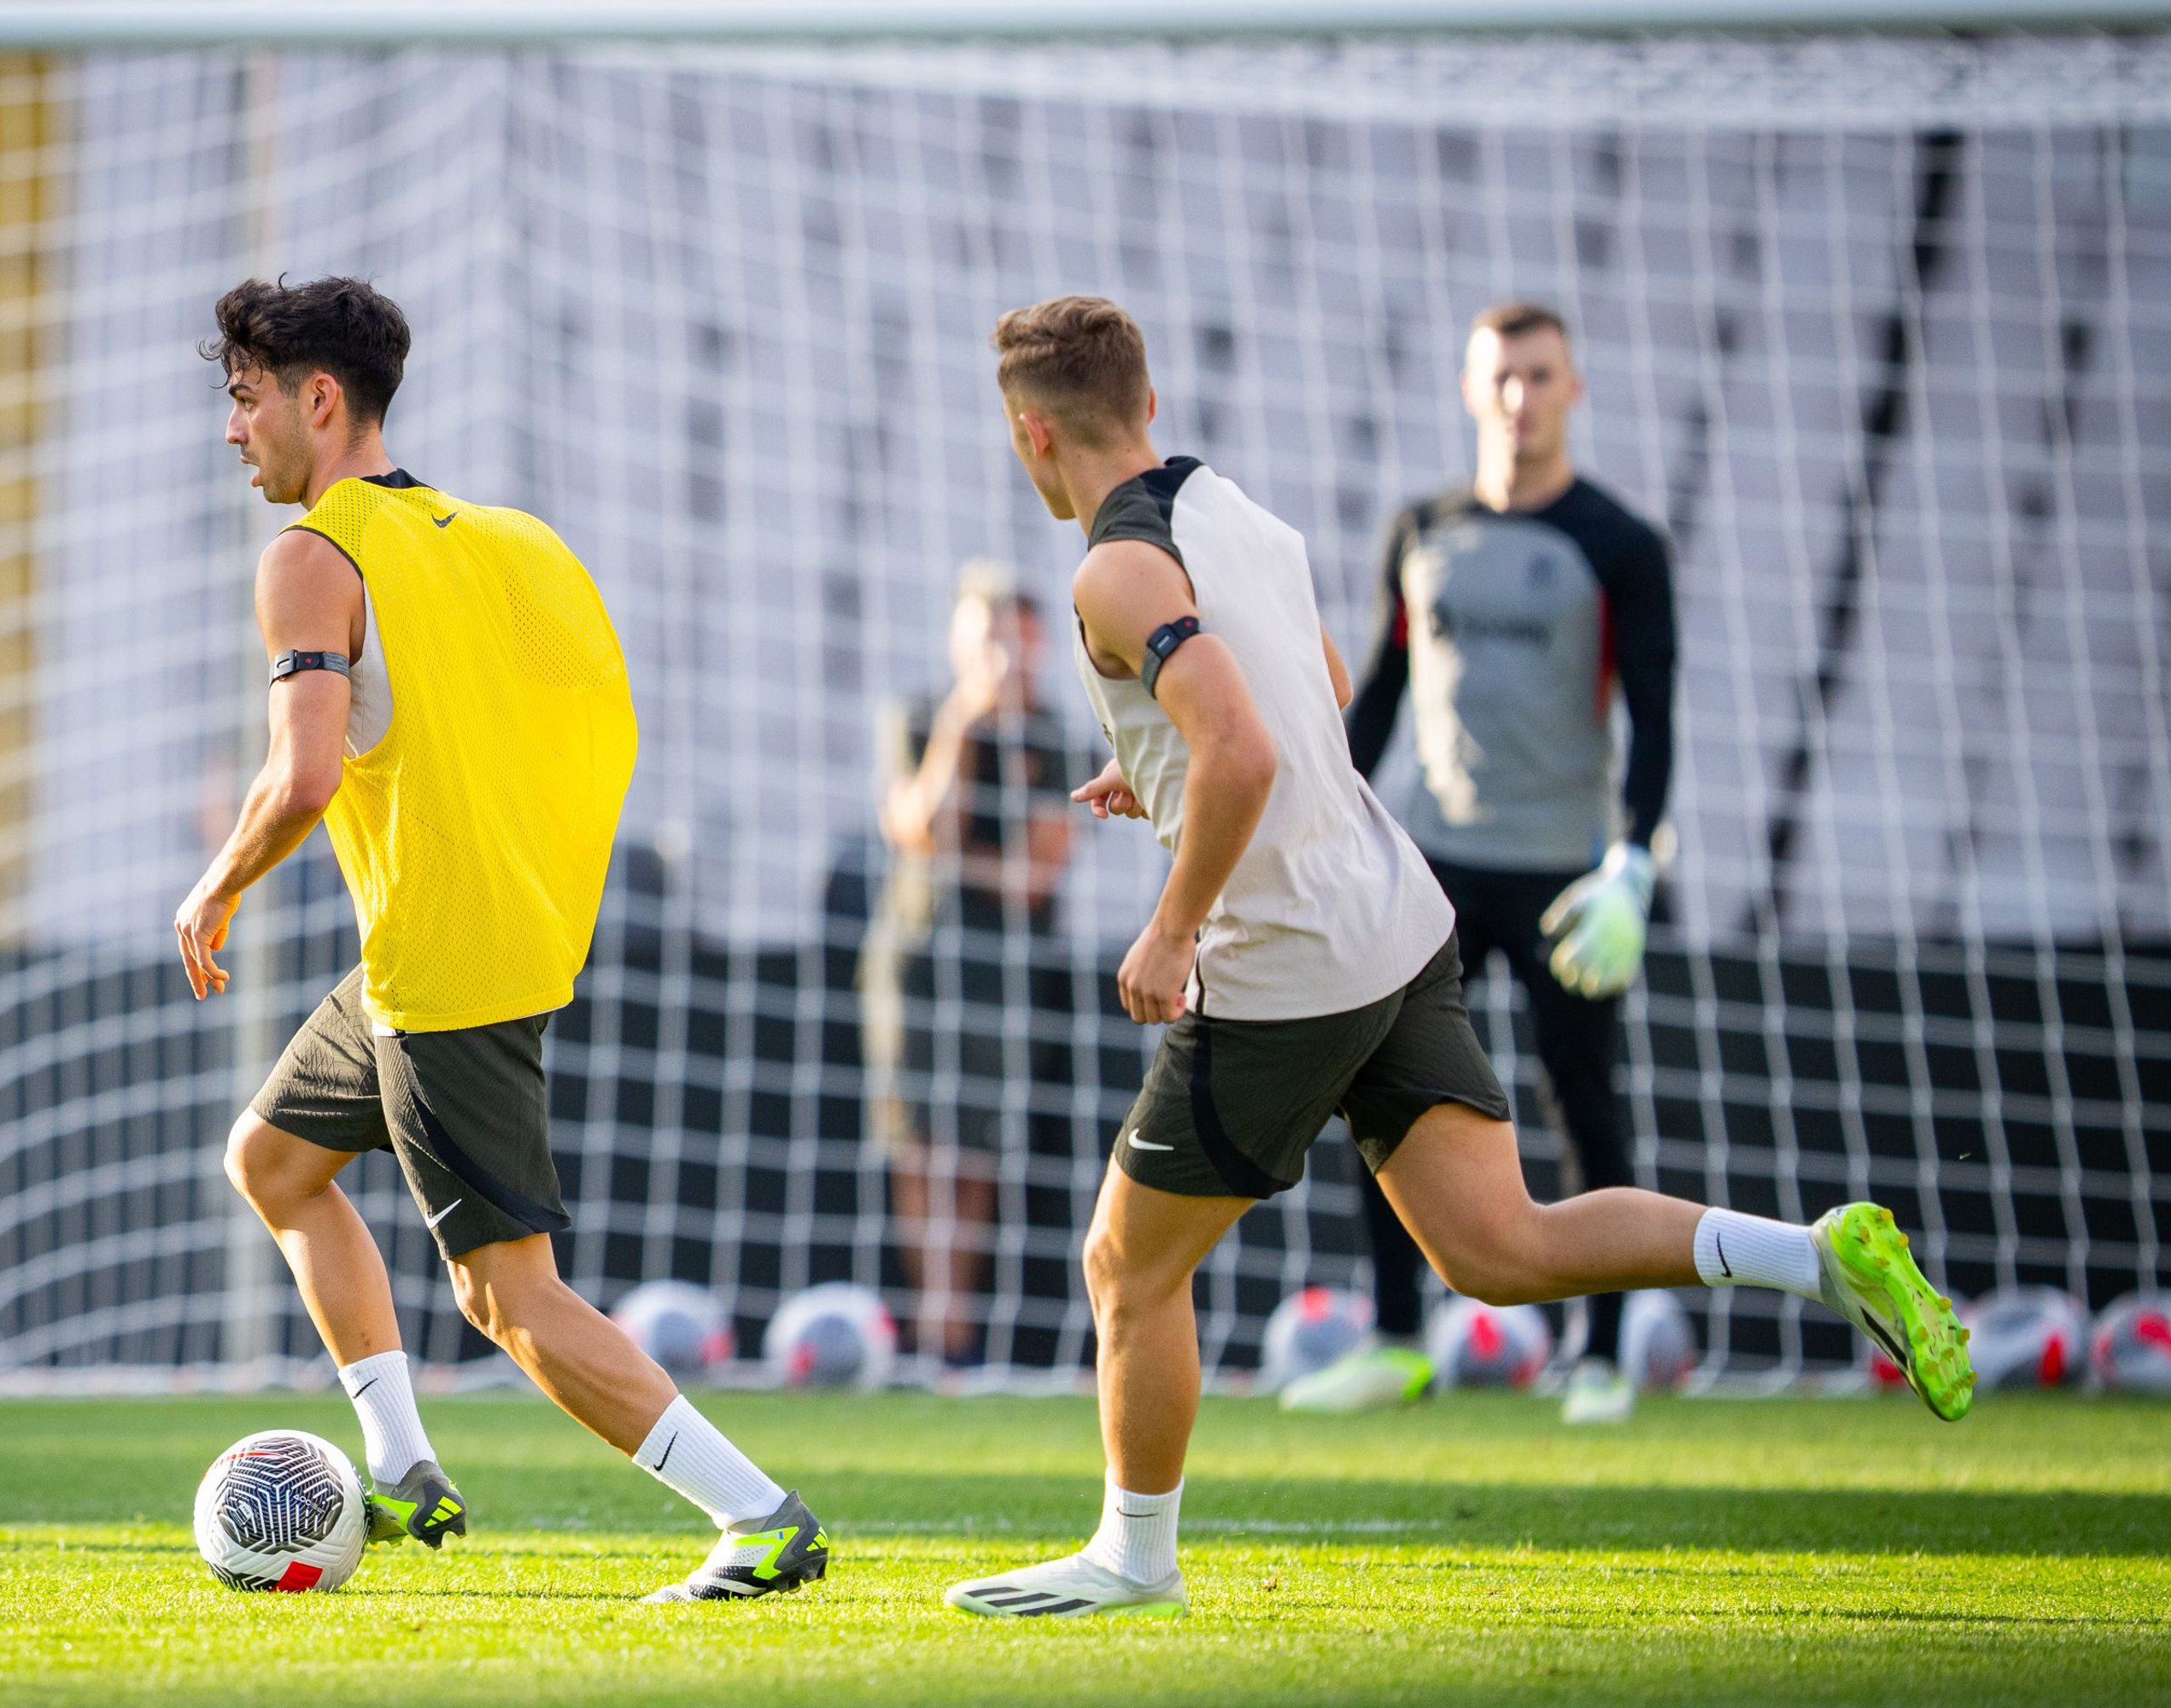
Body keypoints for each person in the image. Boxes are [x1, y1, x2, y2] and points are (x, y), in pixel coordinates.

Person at [941, 295, 1970, 1622]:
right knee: (1501, 1248)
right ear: (1146, 404)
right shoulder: (1234, 510)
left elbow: (1244, 749)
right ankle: (1816, 1257)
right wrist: (1159, 766)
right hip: (1398, 920)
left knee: (1125, 1266)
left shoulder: (1111, 571)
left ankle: (1135, 1559)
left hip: (1285, 961)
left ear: (1033, 434)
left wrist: (1172, 924)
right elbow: (1311, 686)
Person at [175, 275, 827, 1604]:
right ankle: (405, 1469)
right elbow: (597, 724)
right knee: (273, 1162)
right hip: (473, 939)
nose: (233, 430)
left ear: (319, 398)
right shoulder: (512, 541)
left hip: (441, 971)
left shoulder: (309, 558)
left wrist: (215, 886)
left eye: (246, 401)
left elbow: (303, 776)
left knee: (507, 1300)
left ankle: (760, 1518)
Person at [1284, 301, 1678, 1426]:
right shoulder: (1420, 531)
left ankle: (1599, 1355)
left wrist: (1631, 867)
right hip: (1434, 869)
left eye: (1540, 375)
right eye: (1501, 376)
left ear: (1572, 389)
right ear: (1470, 389)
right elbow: (1378, 702)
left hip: (1565, 877)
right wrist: (1309, 815)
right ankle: (1398, 1340)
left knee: (1581, 1101)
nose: (1520, 397)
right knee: (1380, 1086)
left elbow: (1654, 722)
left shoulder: (1619, 544)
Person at [867, 564, 1080, 1368]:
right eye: (986, 639)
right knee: (917, 1148)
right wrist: (962, 724)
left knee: (976, 1151)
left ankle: (958, 1338)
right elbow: (919, 826)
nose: (1001, 657)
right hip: (915, 964)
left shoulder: (1056, 738)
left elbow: (1035, 877)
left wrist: (962, 860)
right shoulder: (921, 719)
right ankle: (935, 1331)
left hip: (1006, 974)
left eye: (1015, 641)